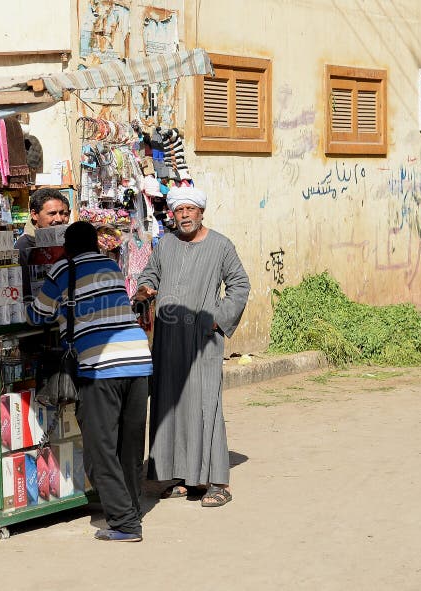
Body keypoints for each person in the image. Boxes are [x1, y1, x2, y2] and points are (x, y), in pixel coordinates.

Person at [28, 221, 153, 542]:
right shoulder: (110, 266)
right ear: (96, 244)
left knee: (100, 449)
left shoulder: (62, 269)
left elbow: (38, 314)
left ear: (66, 247)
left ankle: (125, 524)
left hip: (100, 366)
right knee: (129, 445)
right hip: (138, 361)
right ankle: (131, 508)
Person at [135, 186, 250, 508]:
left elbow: (240, 285)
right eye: (179, 210)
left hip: (202, 341)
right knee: (170, 406)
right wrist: (145, 288)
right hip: (167, 340)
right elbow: (150, 274)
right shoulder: (166, 244)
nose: (184, 215)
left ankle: (217, 482)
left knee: (205, 405)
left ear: (201, 212)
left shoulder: (221, 245)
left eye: (190, 209)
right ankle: (181, 477)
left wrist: (217, 319)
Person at [15, 188, 70, 300]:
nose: (59, 219)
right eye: (52, 213)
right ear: (34, 215)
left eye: (61, 213)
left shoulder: (68, 241)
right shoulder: (23, 246)